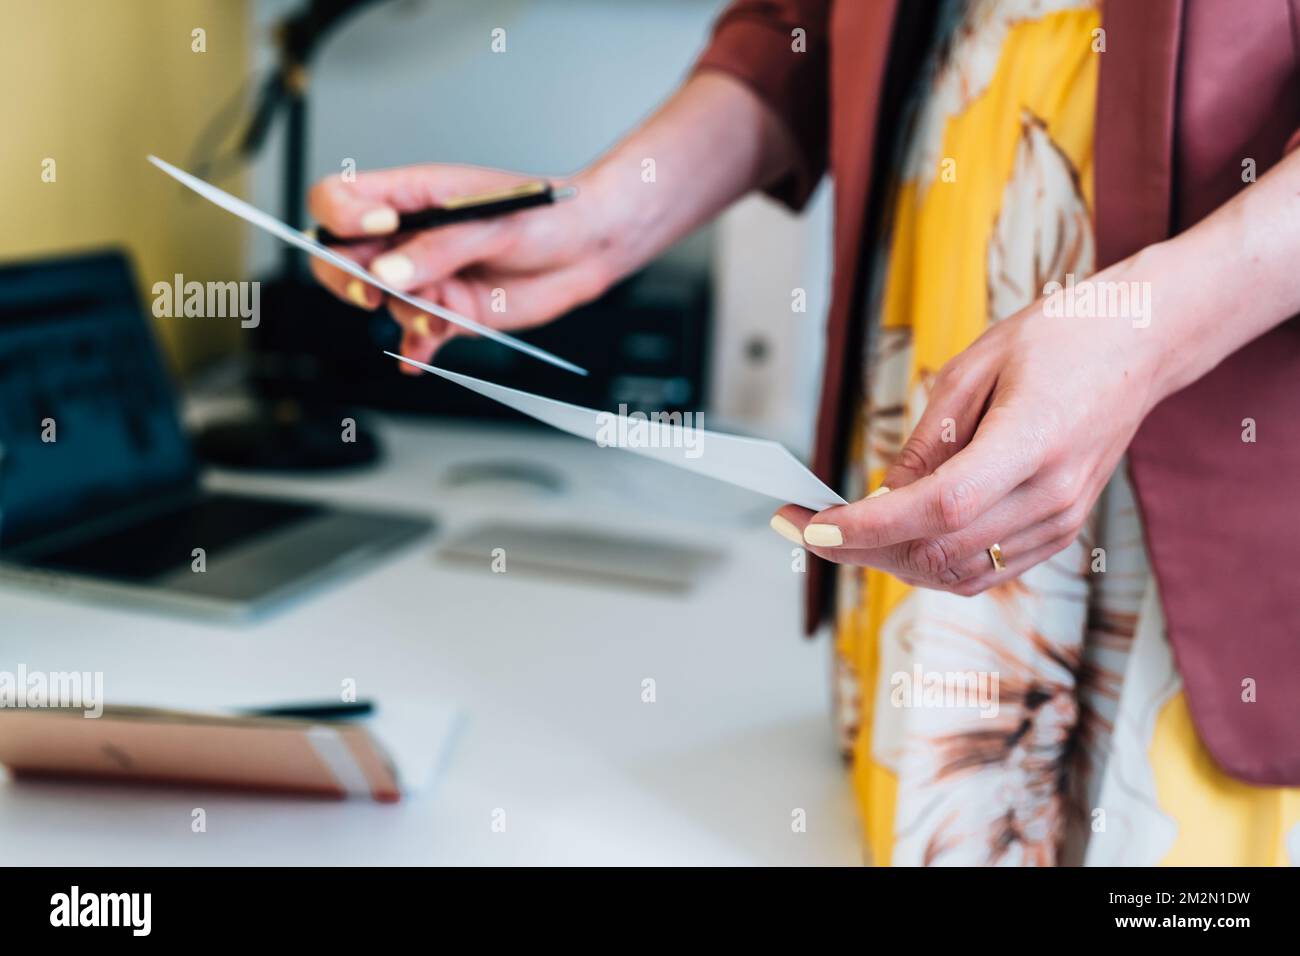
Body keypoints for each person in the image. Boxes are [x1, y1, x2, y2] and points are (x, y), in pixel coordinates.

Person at [309, 0, 1300, 865]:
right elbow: (806, 25)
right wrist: (604, 212)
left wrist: (1156, 326)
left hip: (1218, 412)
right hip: (941, 307)